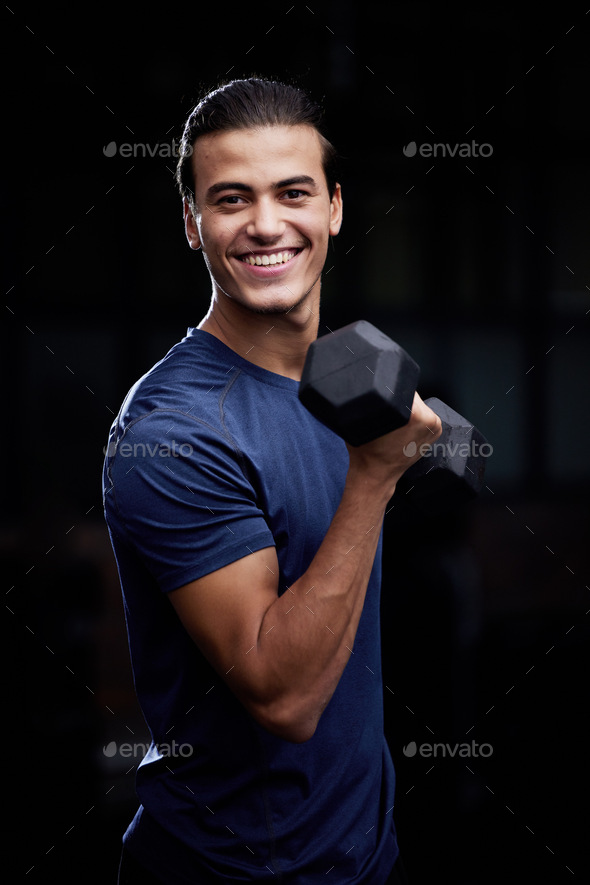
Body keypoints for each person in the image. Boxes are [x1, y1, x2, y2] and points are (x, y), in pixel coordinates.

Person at [103, 77, 441, 884]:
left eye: (292, 192)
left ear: (334, 207)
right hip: (232, 870)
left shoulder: (343, 373)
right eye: (230, 199)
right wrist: (375, 477)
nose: (265, 224)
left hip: (361, 854)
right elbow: (283, 702)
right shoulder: (174, 433)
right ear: (192, 223)